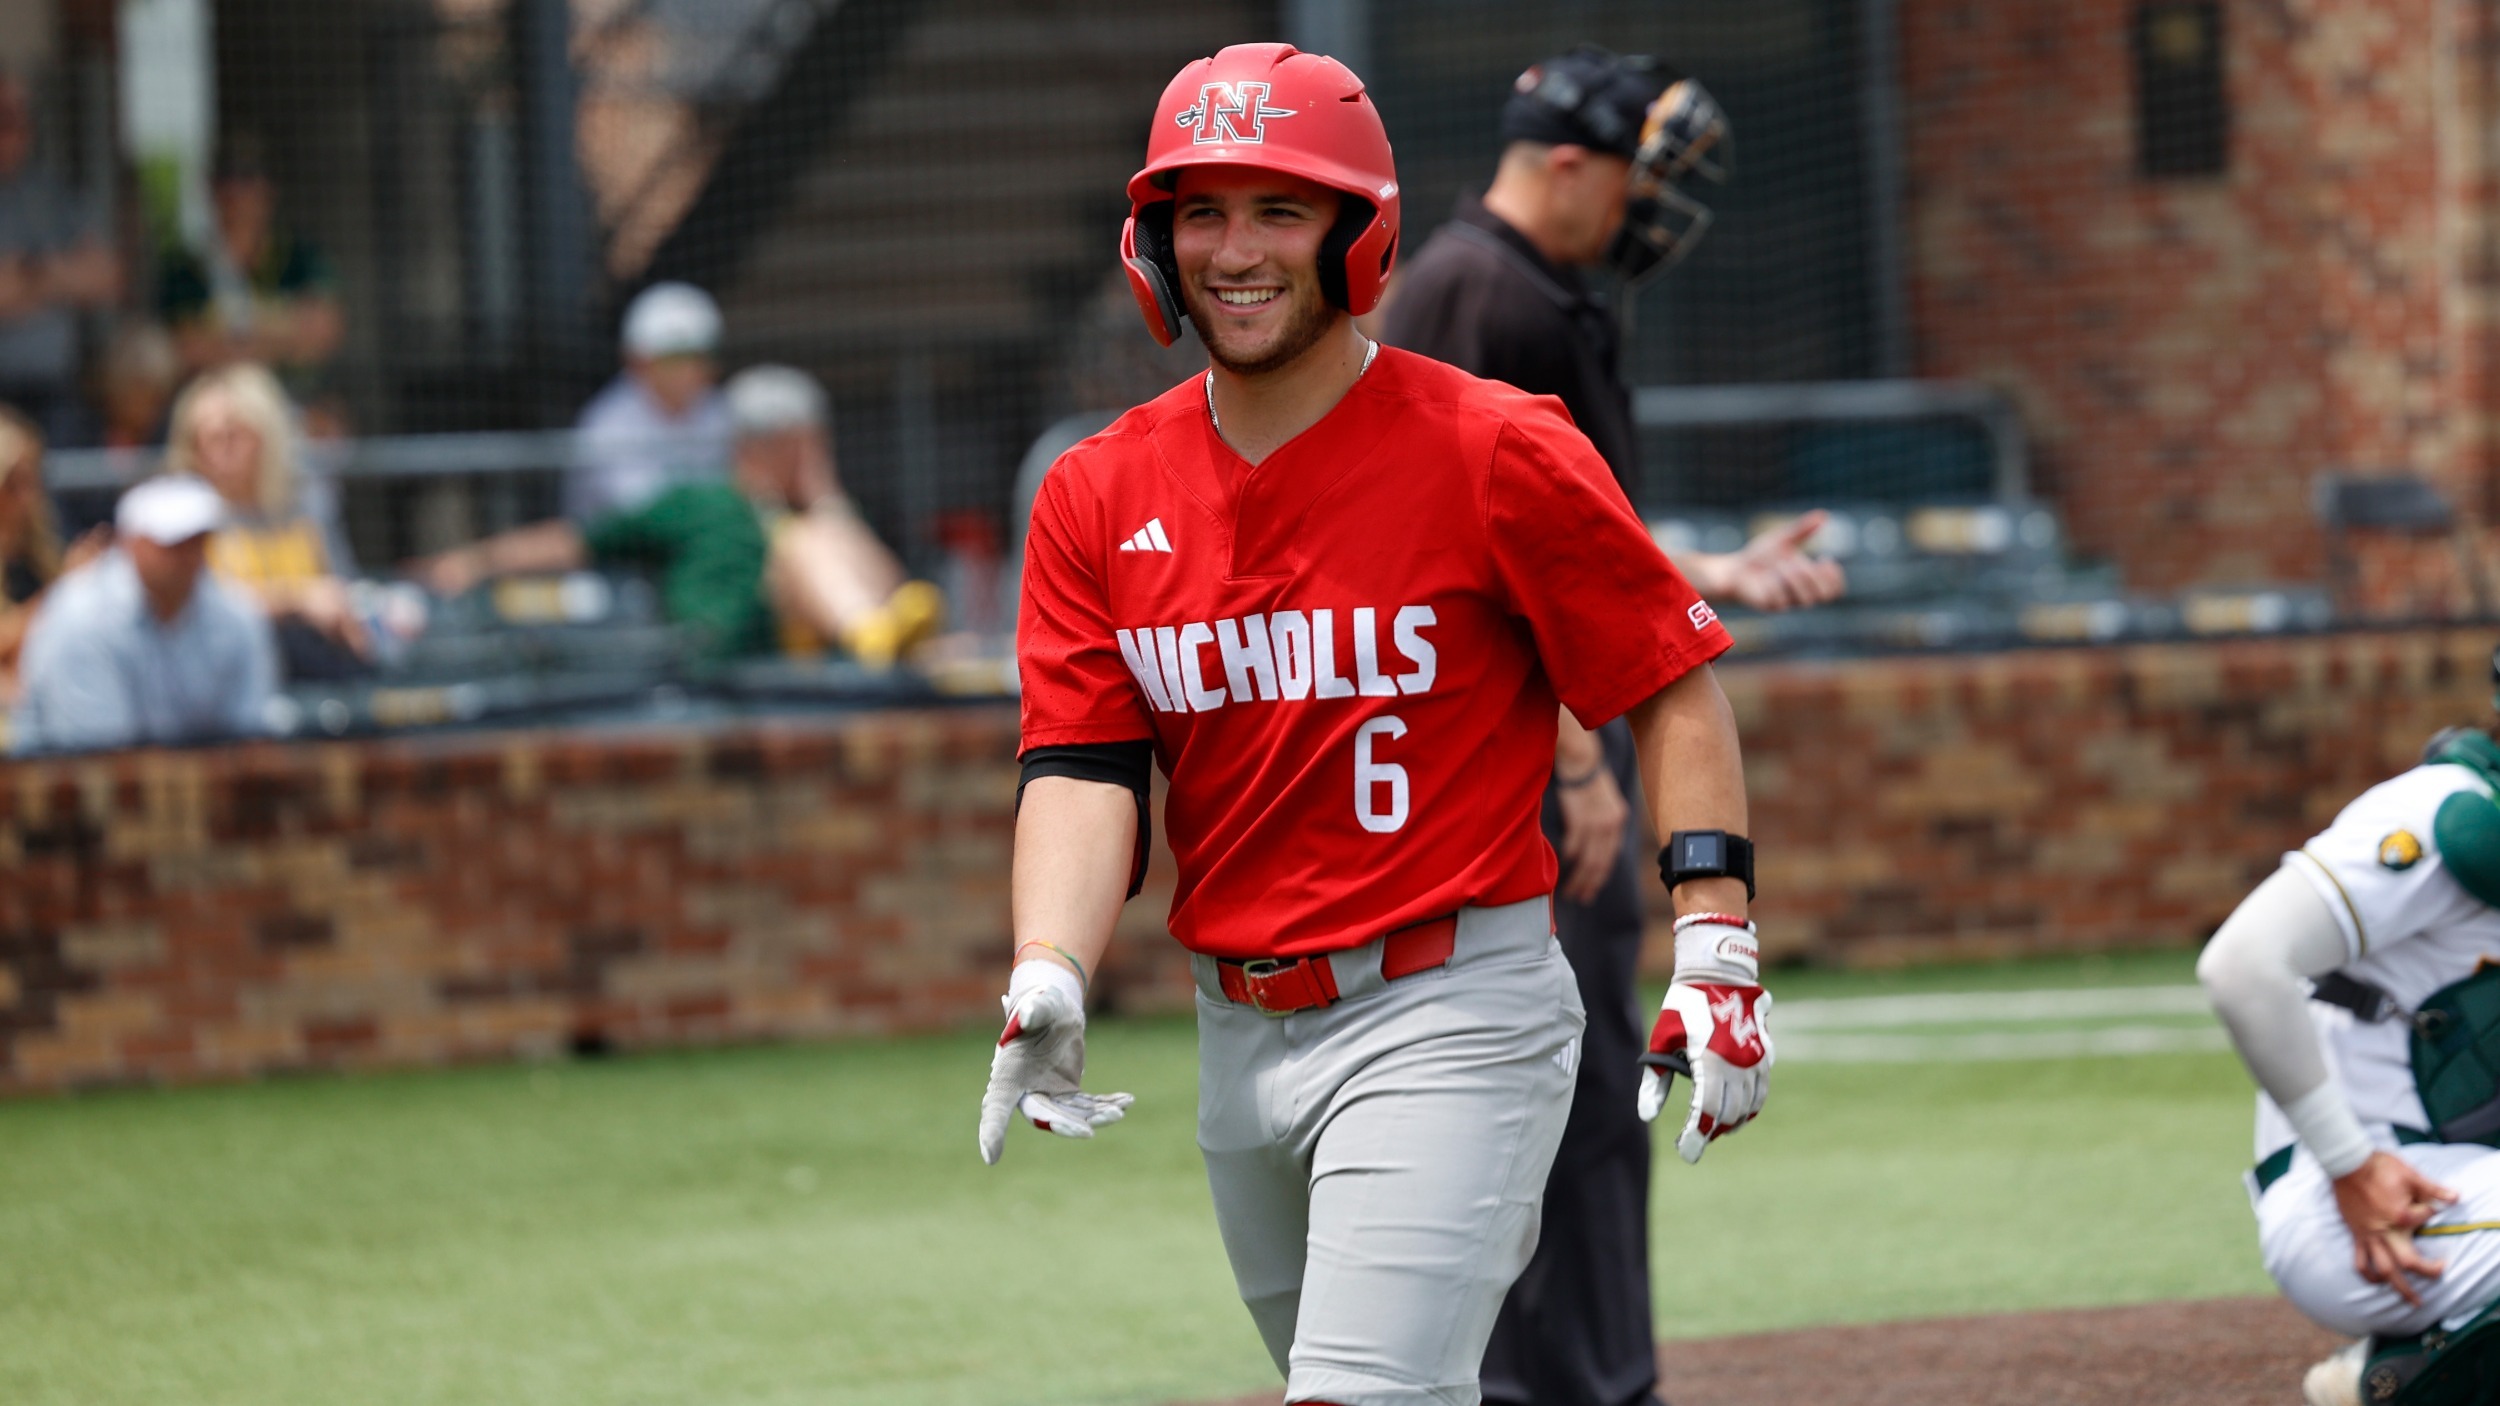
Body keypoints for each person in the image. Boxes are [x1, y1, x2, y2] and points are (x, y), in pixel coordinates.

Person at [981, 44, 1776, 1406]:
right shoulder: (1095, 490)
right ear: (1155, 242)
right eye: (1201, 212)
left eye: (1278, 210)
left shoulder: (1496, 443)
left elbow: (1667, 681)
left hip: (1452, 1008)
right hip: (1237, 1030)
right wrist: (1049, 962)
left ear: (1358, 233)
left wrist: (1717, 942)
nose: (1236, 250)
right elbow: (1081, 763)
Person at [1380, 47, 1843, 1406]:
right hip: (1520, 765)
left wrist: (1709, 569)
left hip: (1551, 749)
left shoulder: (1534, 289)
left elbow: (1574, 541)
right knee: (1560, 1080)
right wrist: (1576, 761)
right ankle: (1552, 1382)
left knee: (1590, 1077)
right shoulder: (1478, 294)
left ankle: (1595, 1375)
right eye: (1641, 177)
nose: (1652, 209)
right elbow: (1454, 559)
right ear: (1571, 166)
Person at [2198, 660, 2500, 1406]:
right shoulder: (2441, 812)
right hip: (2365, 1206)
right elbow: (2241, 965)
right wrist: (2349, 1163)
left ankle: (2428, 1360)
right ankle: (2417, 1380)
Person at [414, 363, 941, 668]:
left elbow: (890, 586)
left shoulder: (825, 519)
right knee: (803, 544)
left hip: (814, 666)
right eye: (804, 444)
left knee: (821, 536)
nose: (813, 456)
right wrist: (476, 560)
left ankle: (873, 638)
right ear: (770, 443)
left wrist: (826, 497)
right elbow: (575, 540)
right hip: (718, 663)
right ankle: (867, 636)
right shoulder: (699, 501)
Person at [13, 475, 276, 753]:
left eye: (197, 541)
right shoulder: (79, 618)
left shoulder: (236, 615)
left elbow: (249, 740)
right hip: (72, 776)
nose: (187, 555)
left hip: (186, 776)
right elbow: (98, 758)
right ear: (131, 542)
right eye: (172, 543)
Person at [163, 361, 369, 677]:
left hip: (311, 663)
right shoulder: (182, 516)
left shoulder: (305, 500)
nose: (221, 451)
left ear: (267, 436)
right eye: (206, 439)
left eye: (233, 435)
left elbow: (340, 582)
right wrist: (296, 599)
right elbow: (195, 608)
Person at [157, 136, 343, 395]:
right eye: (226, 178)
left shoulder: (301, 259)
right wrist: (284, 331)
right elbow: (183, 349)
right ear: (210, 189)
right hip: (215, 403)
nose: (236, 191)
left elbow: (323, 332)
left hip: (293, 400)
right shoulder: (185, 269)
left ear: (269, 189)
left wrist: (227, 337)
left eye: (247, 177)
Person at [0, 70, 122, 443]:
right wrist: (60, 277)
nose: (13, 130)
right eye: (4, 118)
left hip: (56, 391)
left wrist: (31, 272)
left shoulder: (54, 195)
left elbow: (105, 277)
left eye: (20, 118)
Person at [569, 282, 734, 520]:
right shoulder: (607, 424)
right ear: (637, 362)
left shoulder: (719, 411)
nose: (691, 370)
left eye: (701, 357)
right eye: (675, 358)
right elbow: (639, 511)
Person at [0, 404, 103, 700]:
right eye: (13, 483)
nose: (27, 496)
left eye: (32, 480)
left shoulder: (40, 547)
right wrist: (63, 589)